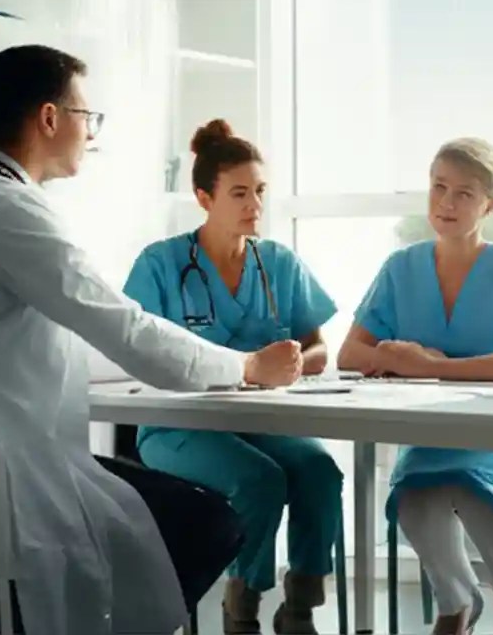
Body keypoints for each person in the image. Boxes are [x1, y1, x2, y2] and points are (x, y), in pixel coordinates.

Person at [0, 45, 253, 635]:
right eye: (86, 117)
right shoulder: (8, 208)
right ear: (50, 118)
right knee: (210, 522)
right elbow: (125, 327)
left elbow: (42, 343)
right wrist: (247, 368)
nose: (91, 134)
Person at [123, 119, 342, 635]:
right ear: (204, 197)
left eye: (260, 191)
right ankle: (242, 608)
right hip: (178, 426)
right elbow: (136, 352)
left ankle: (301, 608)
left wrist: (297, 363)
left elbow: (317, 348)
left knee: (319, 472)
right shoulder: (161, 264)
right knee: (258, 481)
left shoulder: (280, 263)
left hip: (264, 418)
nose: (254, 205)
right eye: (239, 193)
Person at [337, 137, 493, 635]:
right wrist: (394, 358)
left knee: (469, 486)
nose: (446, 203)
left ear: (491, 206)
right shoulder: (400, 268)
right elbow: (350, 354)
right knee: (414, 494)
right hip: (430, 433)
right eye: (438, 188)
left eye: (464, 194)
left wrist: (428, 365)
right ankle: (456, 604)